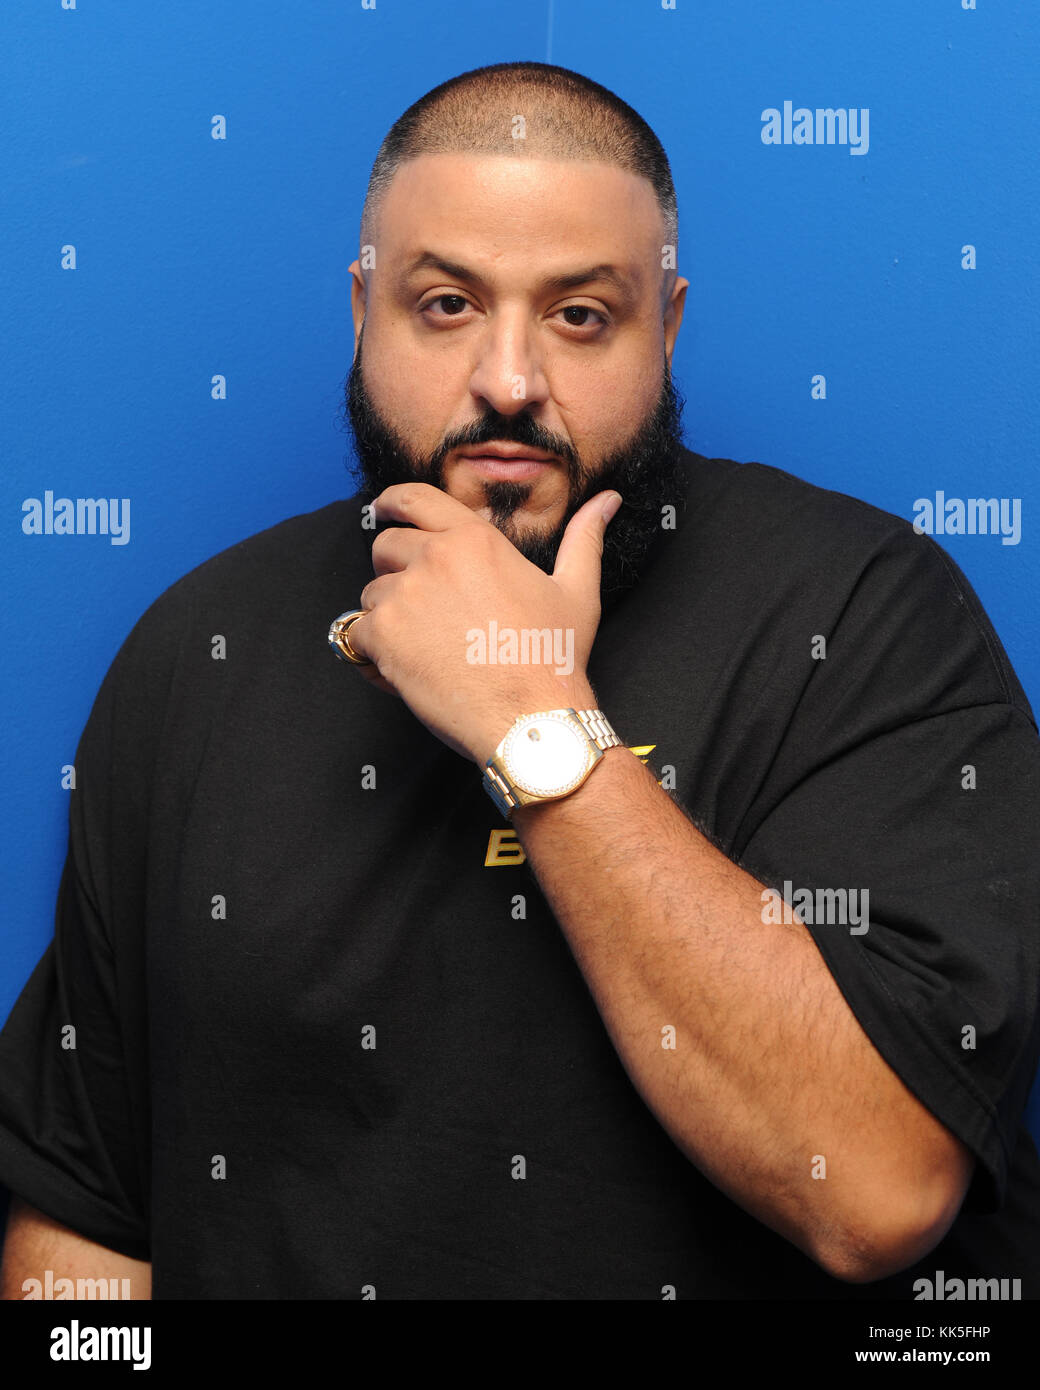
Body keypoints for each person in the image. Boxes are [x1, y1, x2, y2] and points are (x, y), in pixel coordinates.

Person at [1, 60, 1039, 1301]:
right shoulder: (194, 648)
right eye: (443, 304)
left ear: (667, 322)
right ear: (360, 311)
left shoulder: (860, 610)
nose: (507, 378)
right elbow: (88, 1217)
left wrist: (531, 718)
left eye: (579, 314)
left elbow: (875, 1190)